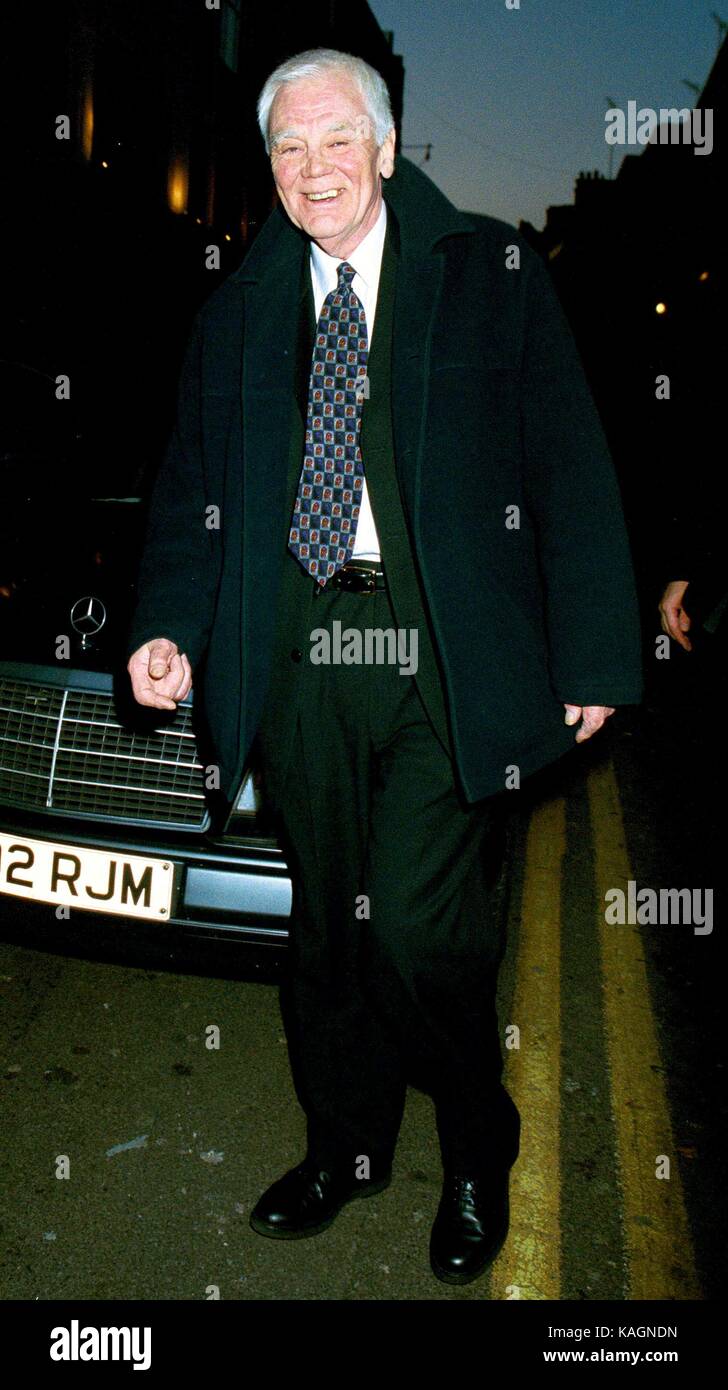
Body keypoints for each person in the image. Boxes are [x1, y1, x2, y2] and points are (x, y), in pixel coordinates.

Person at [126, 48, 643, 1286]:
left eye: (335, 140)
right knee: (329, 942)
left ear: (385, 143)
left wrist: (595, 650)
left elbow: (565, 460)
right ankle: (345, 1149)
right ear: (270, 165)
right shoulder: (238, 310)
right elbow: (194, 492)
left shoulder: (488, 271)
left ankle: (476, 1144)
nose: (313, 169)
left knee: (413, 934)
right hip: (298, 658)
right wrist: (167, 626)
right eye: (288, 149)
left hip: (439, 658)